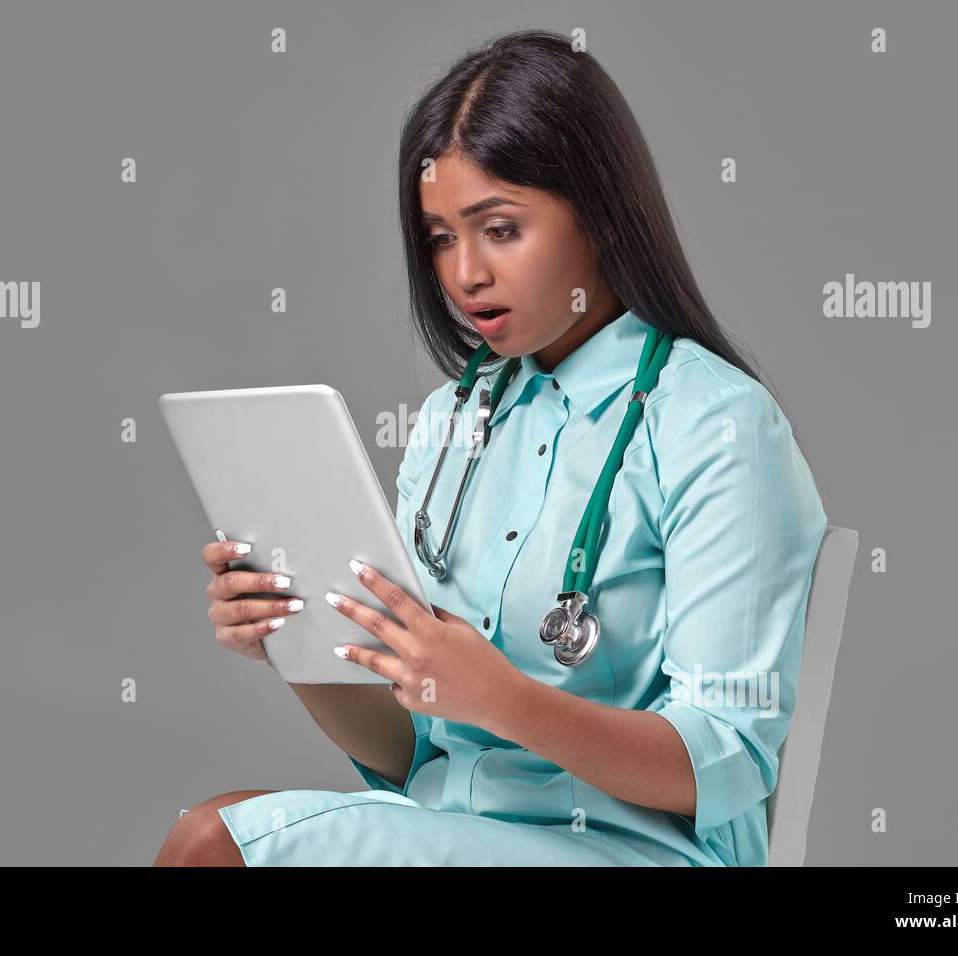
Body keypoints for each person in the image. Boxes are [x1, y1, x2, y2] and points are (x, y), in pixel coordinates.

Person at [153, 28, 827, 867]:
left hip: (635, 853)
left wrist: (506, 700)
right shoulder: (449, 424)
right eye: (440, 237)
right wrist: (294, 643)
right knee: (223, 828)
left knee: (214, 844)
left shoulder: (716, 424)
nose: (465, 273)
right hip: (461, 831)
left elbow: (729, 759)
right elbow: (412, 757)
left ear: (602, 215)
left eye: (499, 229)